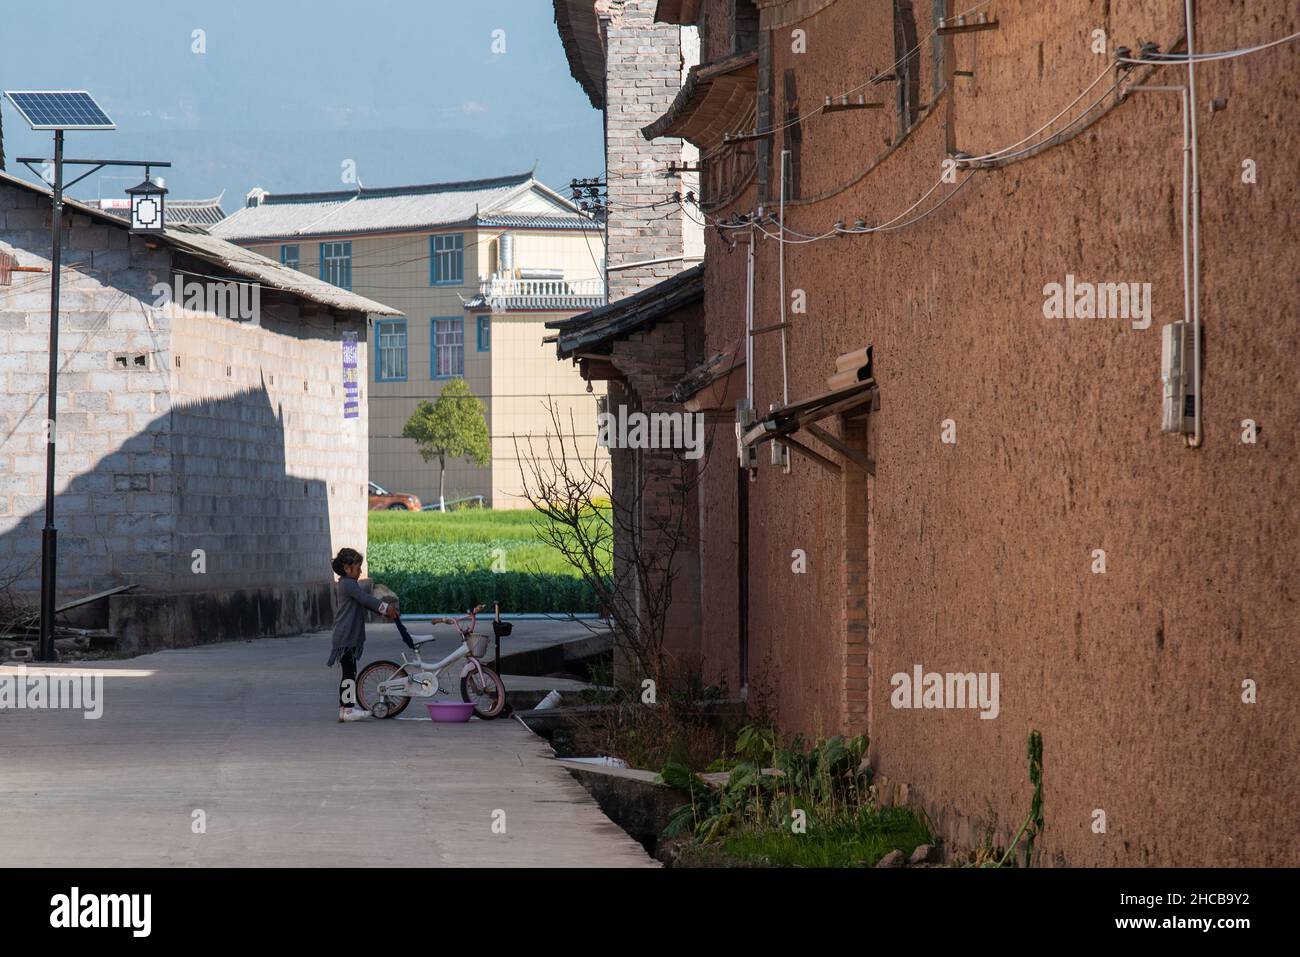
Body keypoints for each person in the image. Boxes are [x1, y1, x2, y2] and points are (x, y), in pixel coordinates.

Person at [328, 547, 396, 722]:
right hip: (346, 636)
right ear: (347, 568)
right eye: (358, 568)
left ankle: (344, 708)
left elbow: (363, 602)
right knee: (349, 673)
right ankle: (348, 709)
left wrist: (383, 610)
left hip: (346, 636)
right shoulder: (348, 584)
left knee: (348, 673)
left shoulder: (346, 583)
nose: (360, 571)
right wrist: (385, 608)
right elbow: (365, 599)